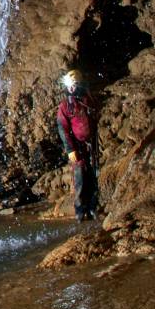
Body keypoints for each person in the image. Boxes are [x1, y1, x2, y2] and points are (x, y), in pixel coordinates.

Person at [56, 68, 99, 221]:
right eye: (69, 85)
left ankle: (93, 207)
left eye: (74, 84)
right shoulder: (65, 106)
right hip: (76, 146)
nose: (72, 88)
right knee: (79, 175)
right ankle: (80, 210)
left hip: (91, 145)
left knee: (94, 175)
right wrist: (70, 149)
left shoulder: (88, 100)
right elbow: (63, 128)